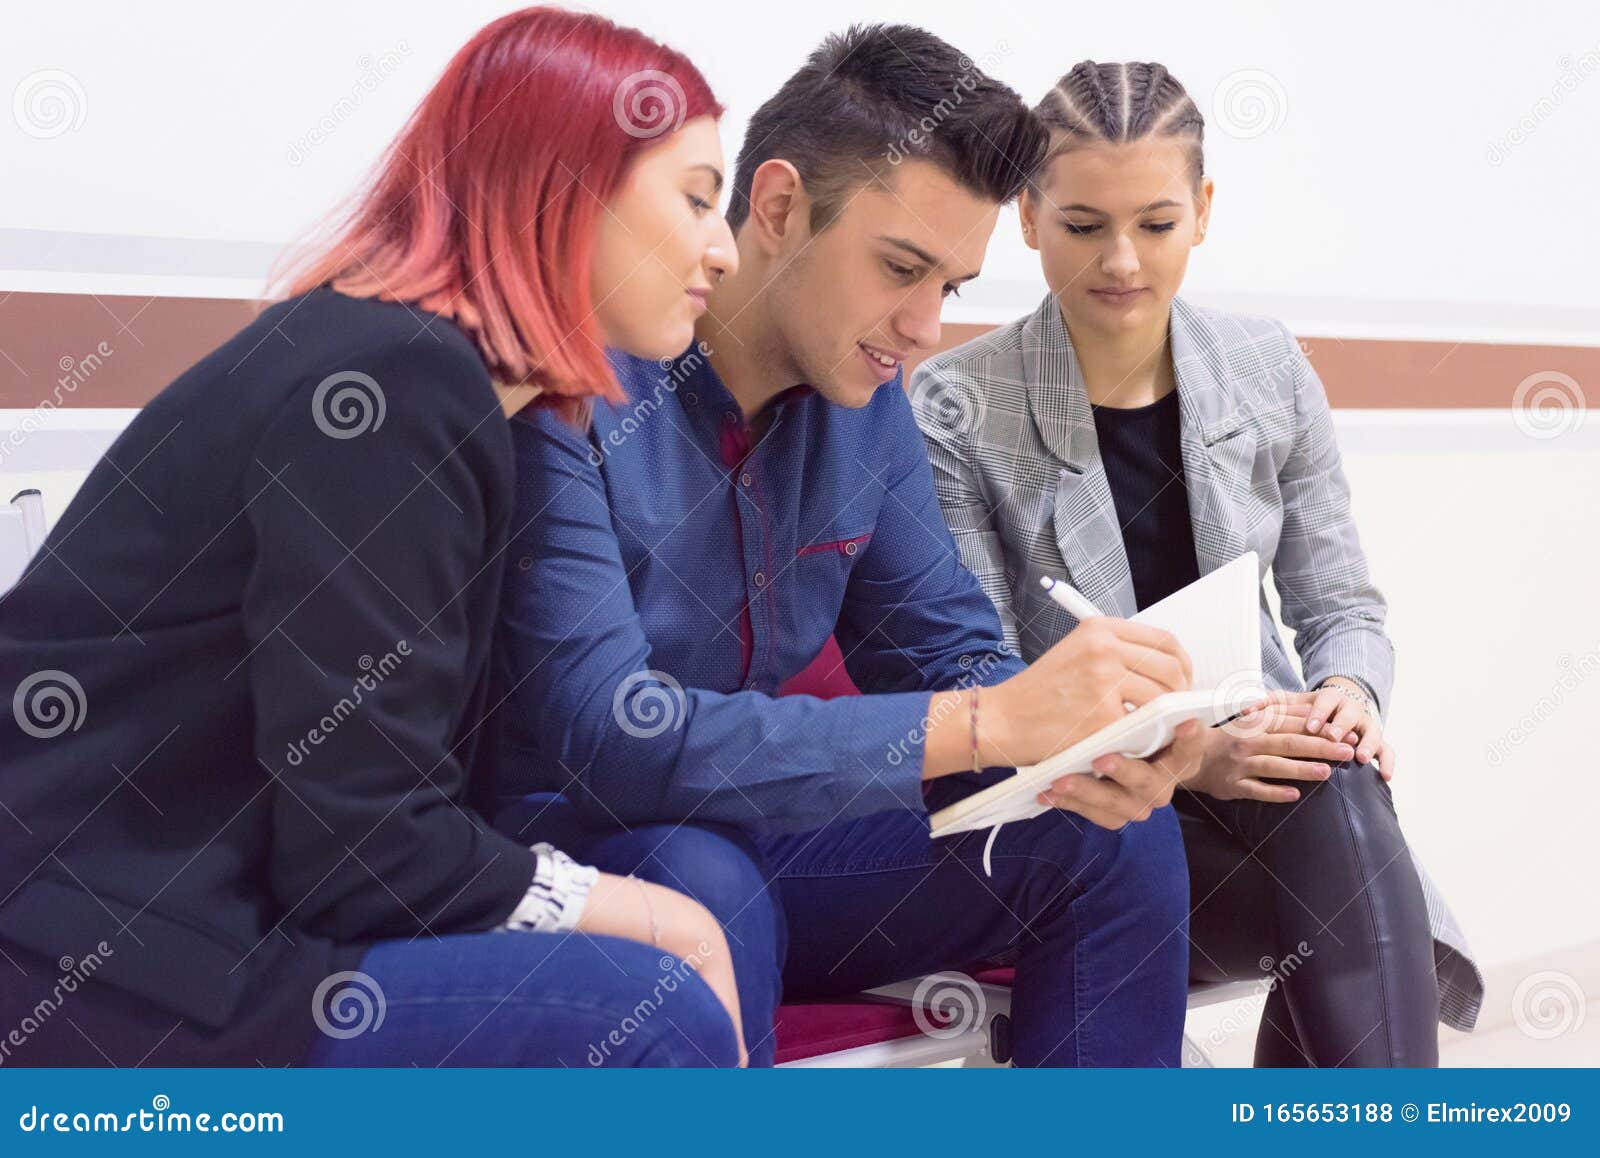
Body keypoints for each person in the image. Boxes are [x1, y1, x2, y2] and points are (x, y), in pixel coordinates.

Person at [0, 7, 748, 1067]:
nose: (721, 251)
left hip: (218, 906)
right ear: (563, 185)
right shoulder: (393, 388)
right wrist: (648, 918)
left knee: (706, 892)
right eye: (696, 198)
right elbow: (361, 847)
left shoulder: (442, 383)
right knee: (647, 997)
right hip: (113, 961)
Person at [491, 25, 1207, 1069]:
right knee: (707, 881)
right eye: (900, 268)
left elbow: (942, 644)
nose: (922, 325)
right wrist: (984, 720)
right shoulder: (569, 390)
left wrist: (1075, 742)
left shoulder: (867, 409)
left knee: (1116, 835)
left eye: (950, 287)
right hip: (576, 843)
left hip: (775, 838)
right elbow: (614, 737)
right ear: (777, 209)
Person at [909, 60, 1483, 1065]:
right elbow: (983, 685)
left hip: (1260, 797)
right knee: (1350, 886)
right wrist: (1189, 756)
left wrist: (1347, 693)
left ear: (1203, 212)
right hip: (1081, 818)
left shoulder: (1268, 368)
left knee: (1335, 777)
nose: (1122, 260)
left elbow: (1339, 602)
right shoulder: (956, 404)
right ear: (1029, 218)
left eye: (1157, 223)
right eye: (1083, 225)